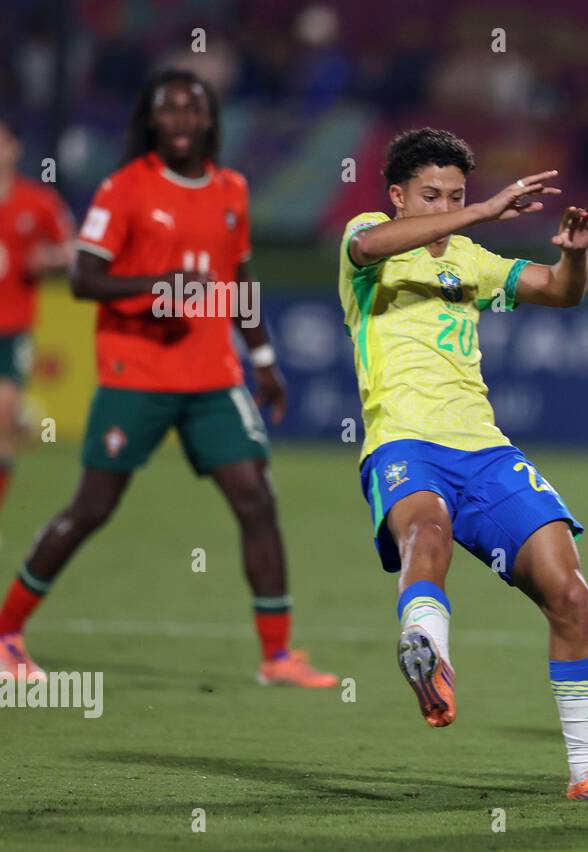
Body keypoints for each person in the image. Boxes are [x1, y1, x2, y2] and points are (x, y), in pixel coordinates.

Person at [338, 127, 588, 803]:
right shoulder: (367, 240)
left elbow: (559, 293)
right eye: (429, 195)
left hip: (486, 451)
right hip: (404, 442)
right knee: (427, 533)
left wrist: (573, 258)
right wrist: (482, 211)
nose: (444, 205)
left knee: (569, 593)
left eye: (456, 194)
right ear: (397, 196)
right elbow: (367, 246)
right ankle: (429, 652)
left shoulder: (473, 261)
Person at [0, 70, 337, 689]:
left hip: (214, 376)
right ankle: (6, 632)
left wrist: (263, 360)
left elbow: (237, 279)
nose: (181, 119)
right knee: (93, 507)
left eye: (193, 108)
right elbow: (83, 278)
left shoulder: (231, 188)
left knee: (256, 499)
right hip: (138, 373)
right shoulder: (125, 189)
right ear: (150, 121)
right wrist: (159, 289)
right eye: (168, 109)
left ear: (210, 120)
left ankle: (278, 655)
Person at [0, 114, 74, 525]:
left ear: (14, 149)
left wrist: (47, 258)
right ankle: (26, 422)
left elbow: (72, 248)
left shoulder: (38, 201)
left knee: (3, 414)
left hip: (11, 329)